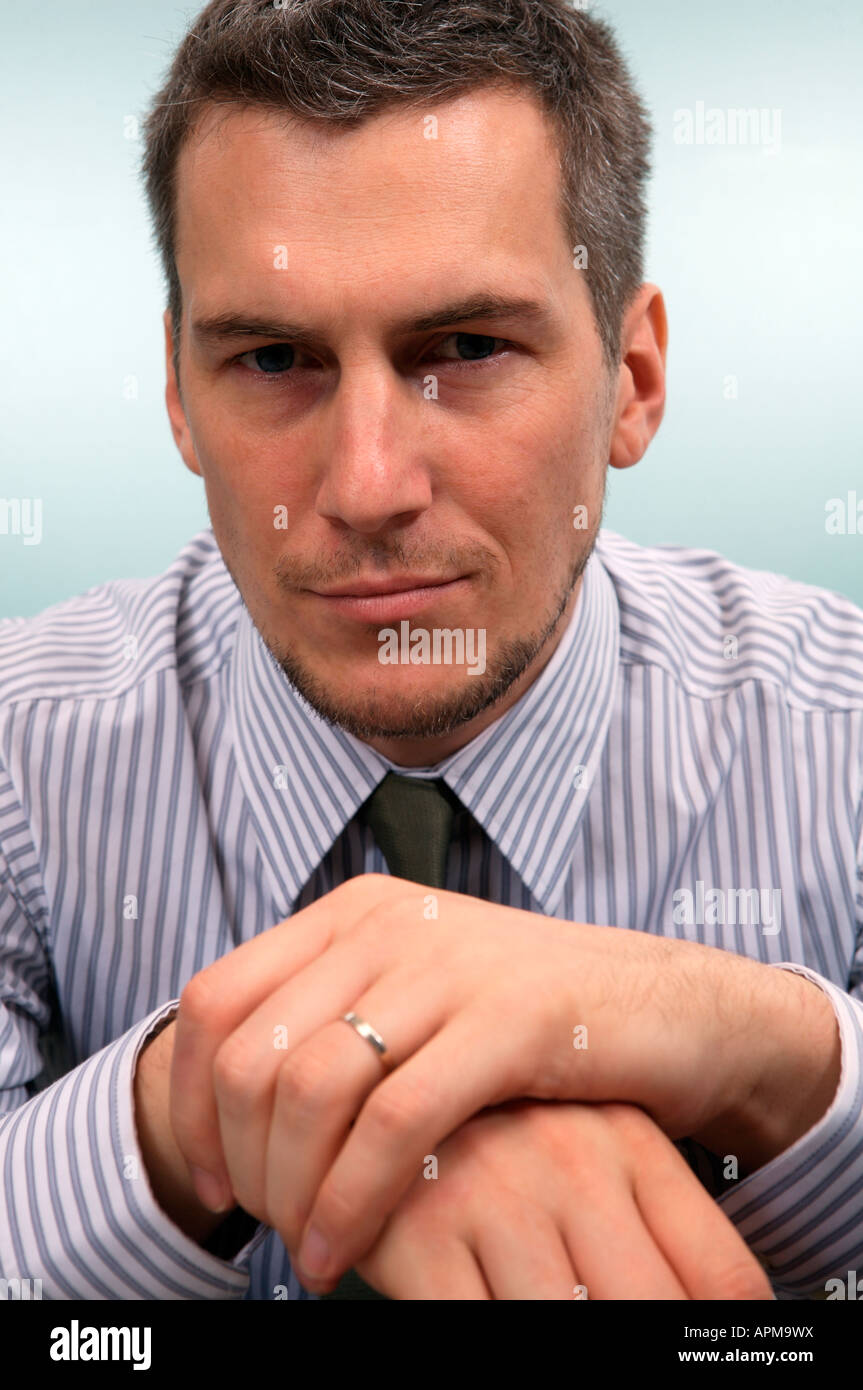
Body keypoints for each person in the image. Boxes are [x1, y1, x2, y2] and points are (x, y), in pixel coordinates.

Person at [0, 0, 859, 1302]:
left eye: (464, 348)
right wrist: (196, 1111)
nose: (366, 484)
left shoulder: (839, 730)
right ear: (178, 395)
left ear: (631, 377)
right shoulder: (18, 751)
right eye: (275, 357)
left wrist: (763, 1049)